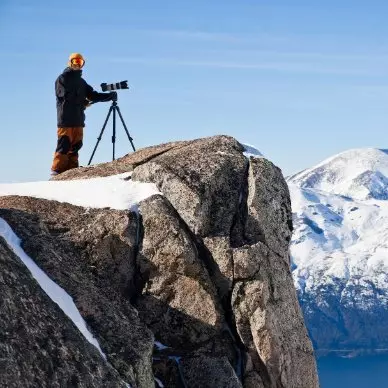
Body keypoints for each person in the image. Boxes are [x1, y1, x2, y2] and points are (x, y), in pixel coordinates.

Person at [51, 53, 116, 176]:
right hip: (65, 119)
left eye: (80, 62)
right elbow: (65, 97)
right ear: (70, 62)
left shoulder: (81, 82)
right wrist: (82, 102)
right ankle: (57, 172)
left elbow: (93, 95)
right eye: (75, 61)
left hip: (78, 119)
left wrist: (109, 96)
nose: (77, 64)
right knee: (64, 145)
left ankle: (71, 171)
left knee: (76, 146)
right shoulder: (62, 79)